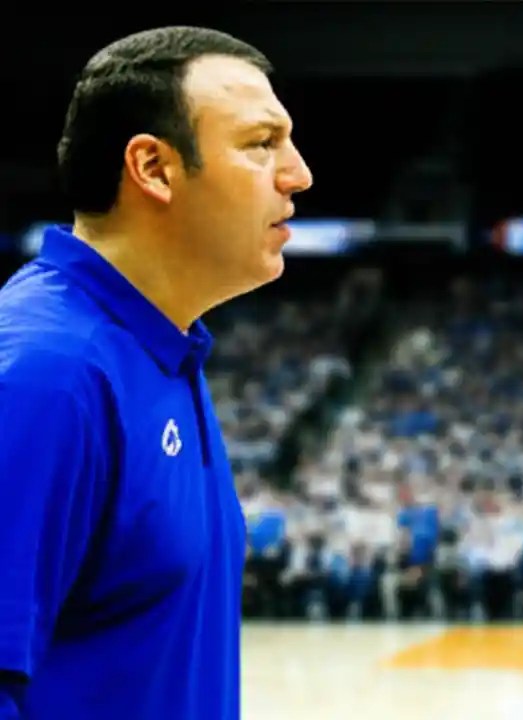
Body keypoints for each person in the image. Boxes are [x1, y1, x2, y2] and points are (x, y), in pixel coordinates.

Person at [0, 26, 312, 720]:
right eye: (262, 144)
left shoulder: (160, 348)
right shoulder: (46, 375)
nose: (298, 174)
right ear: (154, 167)